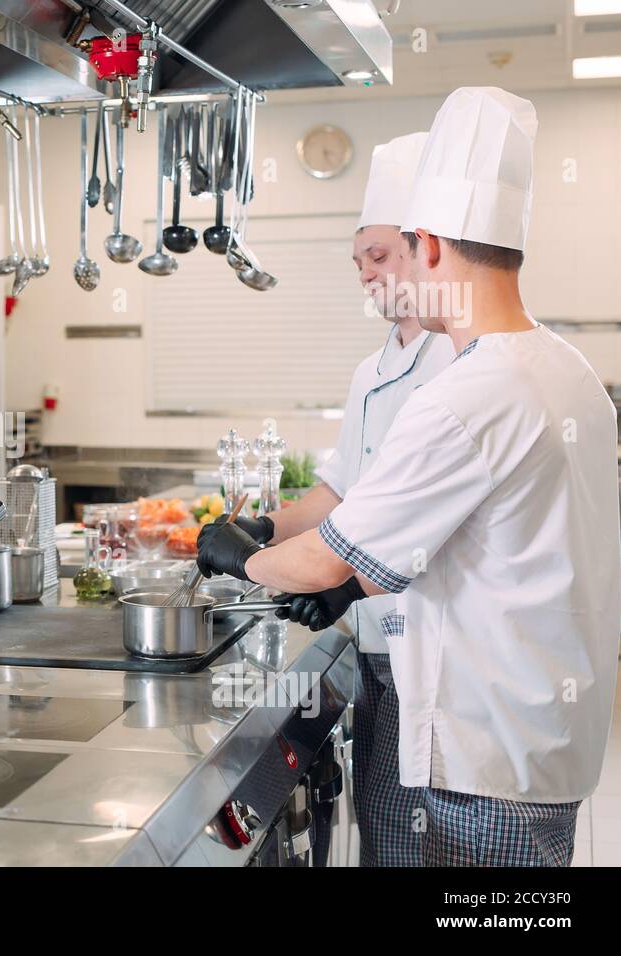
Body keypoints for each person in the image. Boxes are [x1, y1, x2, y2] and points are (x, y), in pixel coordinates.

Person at [197, 88, 621, 866]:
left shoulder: (467, 394)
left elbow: (328, 554)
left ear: (427, 246)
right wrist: (338, 575)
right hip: (539, 742)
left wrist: (242, 556)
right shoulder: (568, 371)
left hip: (484, 761)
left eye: (385, 254)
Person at [231, 132, 451, 866]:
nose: (366, 275)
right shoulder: (372, 370)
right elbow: (338, 492)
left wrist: (326, 578)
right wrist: (260, 528)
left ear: (426, 247)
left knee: (415, 838)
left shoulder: (454, 364)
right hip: (376, 643)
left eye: (379, 256)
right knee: (384, 829)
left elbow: (430, 527)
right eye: (358, 262)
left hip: (434, 649)